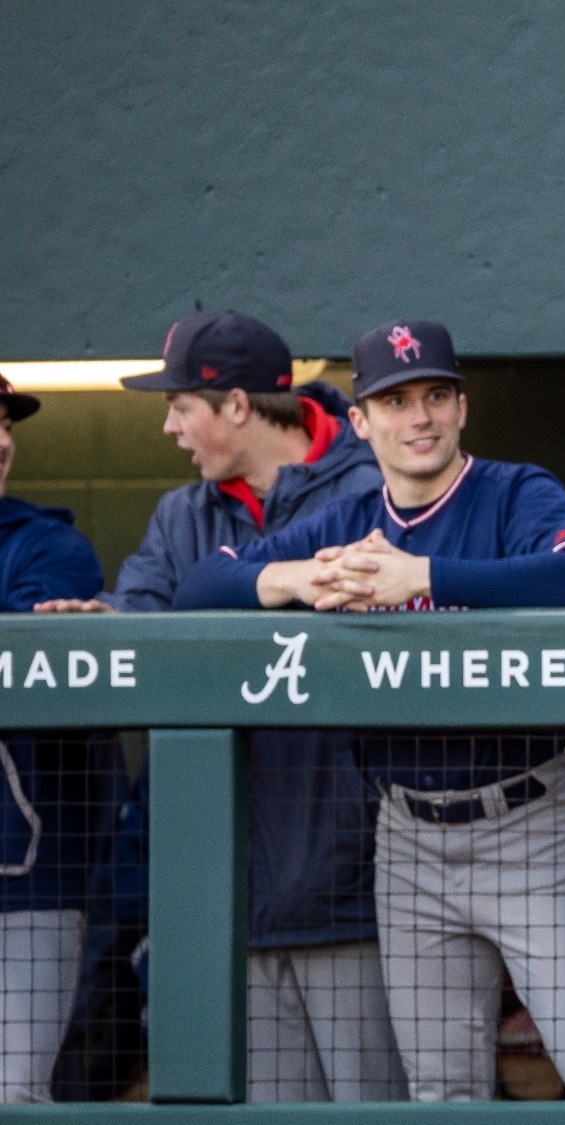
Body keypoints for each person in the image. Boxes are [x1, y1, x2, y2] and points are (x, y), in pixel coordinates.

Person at [172, 318, 565, 1102]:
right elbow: (196, 589)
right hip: (406, 840)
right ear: (361, 424)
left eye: (436, 395)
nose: (420, 417)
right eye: (395, 402)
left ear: (462, 407)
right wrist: (292, 579)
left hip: (526, 823)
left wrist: (424, 576)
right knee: (441, 1095)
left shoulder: (514, 492)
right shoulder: (345, 525)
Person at [36, 311, 403, 1102]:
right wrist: (105, 621)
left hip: (355, 887)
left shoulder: (373, 488)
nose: (169, 428)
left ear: (237, 405)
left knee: (373, 1108)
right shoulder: (184, 515)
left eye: (180, 407)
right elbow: (143, 610)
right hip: (225, 890)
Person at [0, 375, 117, 1103]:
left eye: (6, 423)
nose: (2, 440)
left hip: (27, 880)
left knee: (13, 1097)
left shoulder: (48, 546)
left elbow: (25, 670)